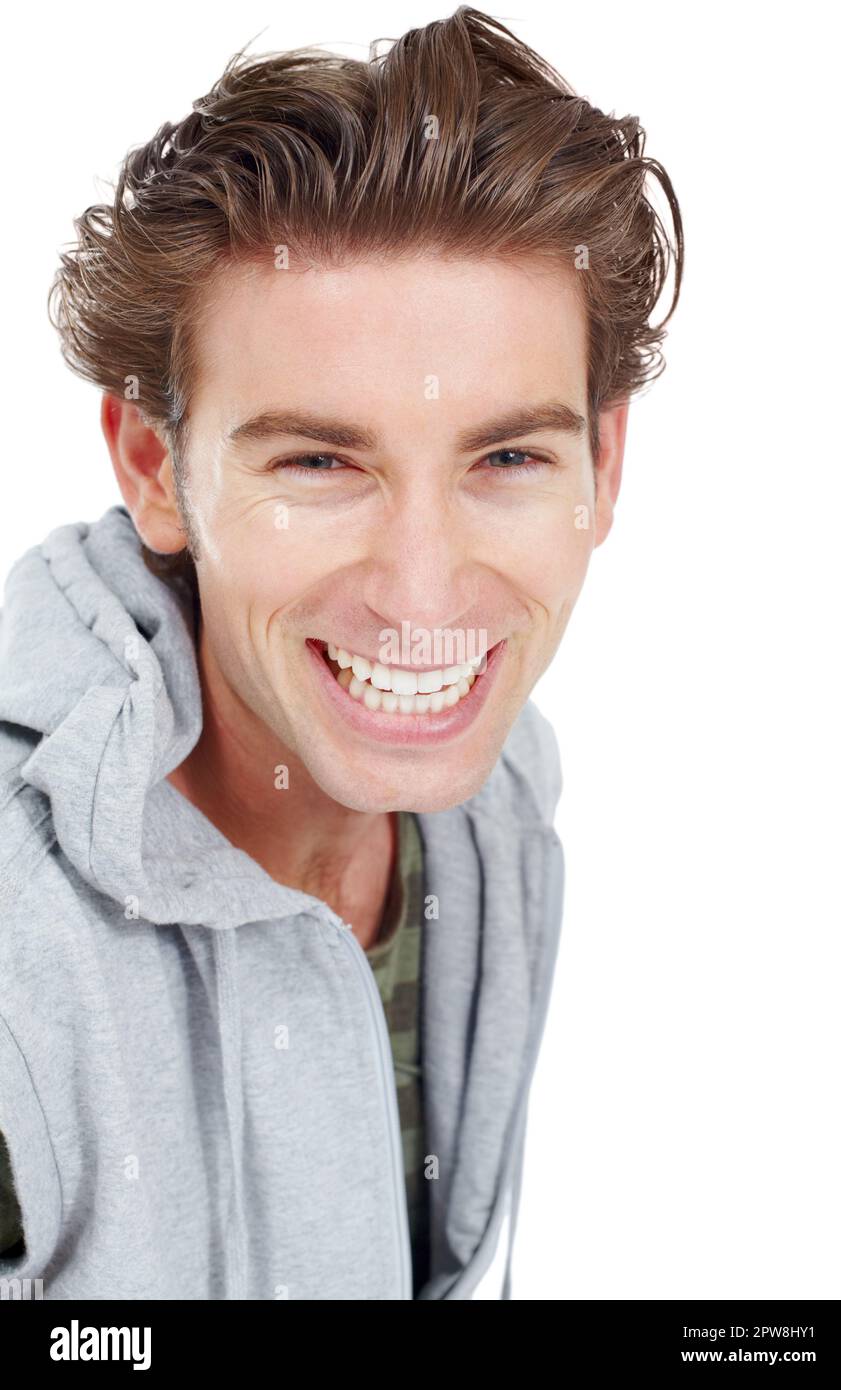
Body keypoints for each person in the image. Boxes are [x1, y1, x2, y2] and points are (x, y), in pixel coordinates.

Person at [0, 5, 682, 1299]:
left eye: (505, 457)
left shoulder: (498, 810)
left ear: (603, 461)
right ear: (154, 465)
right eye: (319, 461)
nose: (422, 591)